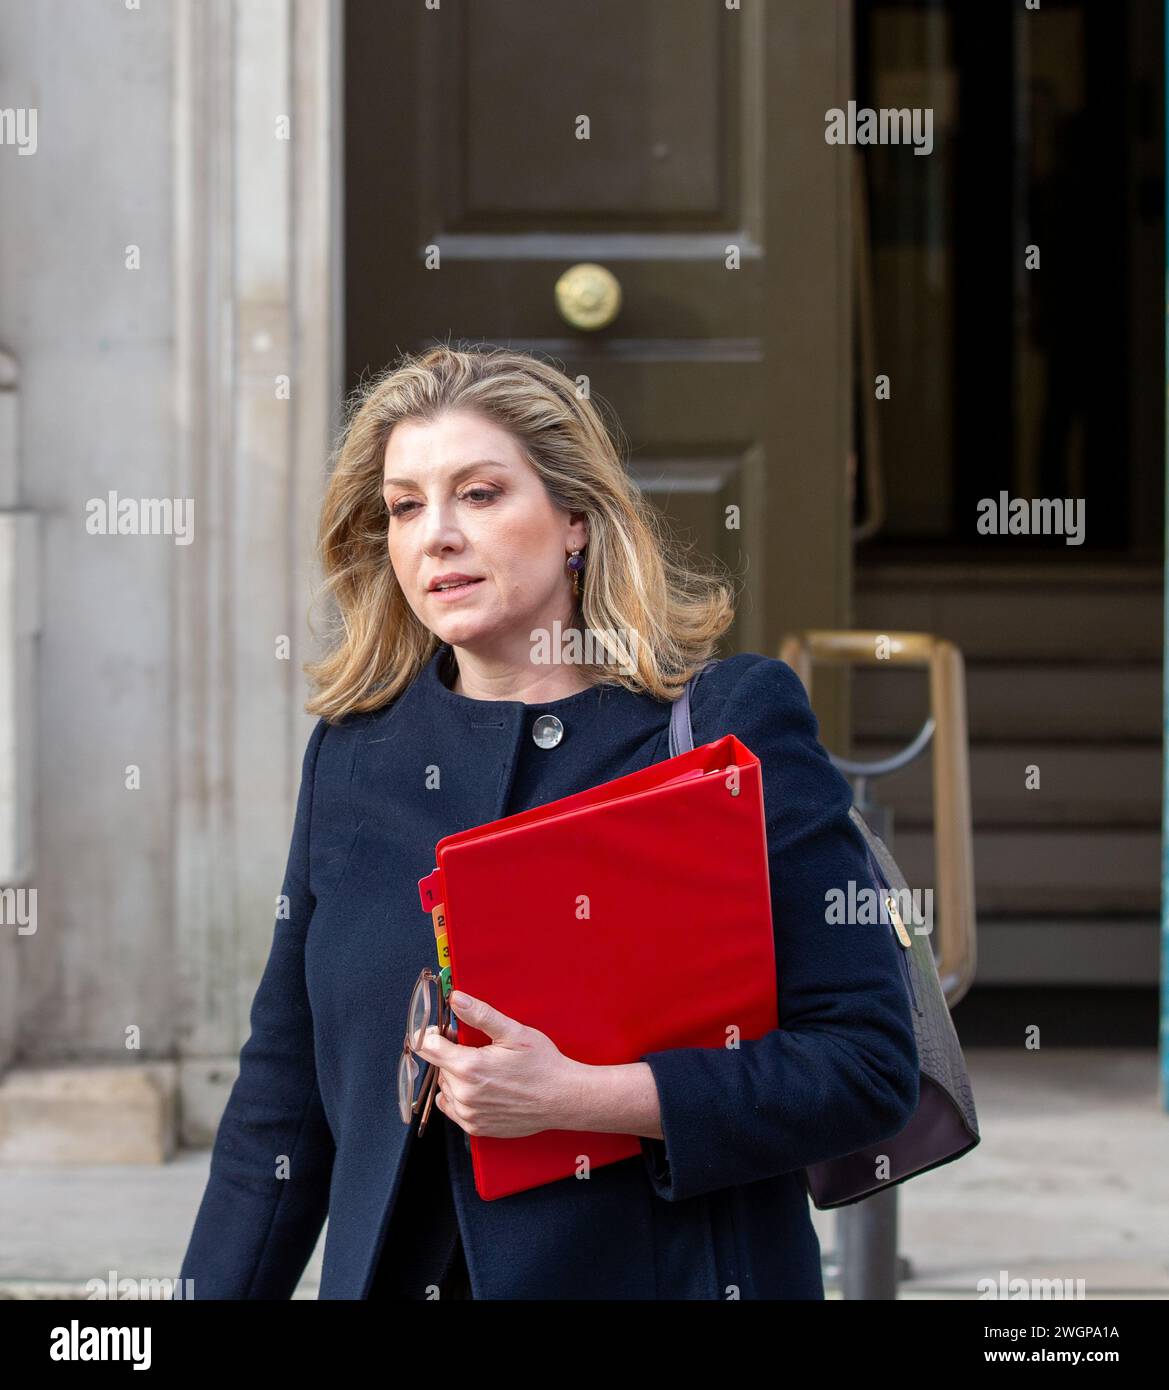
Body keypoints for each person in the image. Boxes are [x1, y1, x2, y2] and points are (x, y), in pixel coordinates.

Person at [177, 344, 919, 1300]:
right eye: (405, 506)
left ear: (574, 519)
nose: (435, 534)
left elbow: (862, 1067)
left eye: (479, 494)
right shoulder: (354, 755)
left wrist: (583, 1099)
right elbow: (279, 1109)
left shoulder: (725, 725)